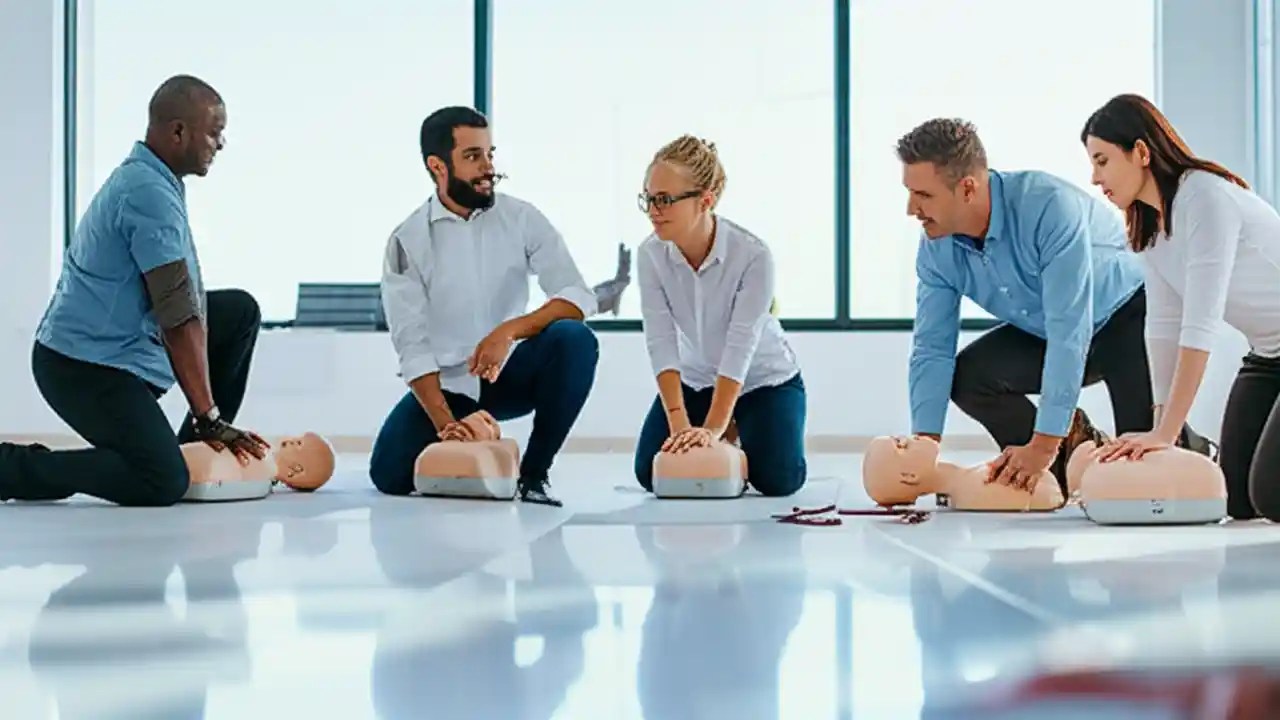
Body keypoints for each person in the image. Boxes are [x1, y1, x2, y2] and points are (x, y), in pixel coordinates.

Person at [898, 117, 1210, 494]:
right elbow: (932, 347)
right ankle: (1061, 467)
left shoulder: (1048, 207)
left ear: (967, 188)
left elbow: (1069, 330)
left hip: (1126, 317)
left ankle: (1194, 448)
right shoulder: (936, 246)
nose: (911, 209)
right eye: (910, 192)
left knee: (1142, 470)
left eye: (923, 195)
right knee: (968, 377)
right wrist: (924, 447)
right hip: (1047, 330)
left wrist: (1044, 442)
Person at [0, 75, 269, 507]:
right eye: (215, 132)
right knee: (160, 480)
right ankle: (10, 468)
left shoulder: (158, 181)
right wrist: (210, 416)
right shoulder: (147, 193)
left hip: (121, 348)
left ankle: (190, 448)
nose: (221, 144)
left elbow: (186, 310)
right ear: (178, 131)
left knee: (238, 312)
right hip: (82, 368)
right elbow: (177, 317)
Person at [370, 106, 600, 507]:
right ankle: (478, 440)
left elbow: (577, 296)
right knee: (389, 475)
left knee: (574, 339)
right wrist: (449, 426)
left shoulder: (522, 218)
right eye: (473, 156)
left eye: (490, 154)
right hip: (449, 387)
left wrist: (507, 332)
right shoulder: (407, 240)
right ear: (437, 166)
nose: (488, 167)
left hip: (511, 374)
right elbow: (412, 346)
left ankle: (534, 474)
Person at [1083, 93, 1280, 521]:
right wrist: (1160, 425)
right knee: (1239, 502)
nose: (1095, 177)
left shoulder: (1205, 197)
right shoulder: (1151, 226)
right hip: (1269, 355)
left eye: (1102, 160)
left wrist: (1168, 431)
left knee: (1272, 496)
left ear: (1140, 152)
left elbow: (1200, 324)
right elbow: (1164, 326)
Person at [632, 135, 807, 496]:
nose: (653, 210)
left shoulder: (753, 256)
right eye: (648, 198)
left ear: (705, 201)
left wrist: (712, 430)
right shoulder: (650, 255)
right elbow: (660, 340)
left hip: (763, 380)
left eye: (664, 200)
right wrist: (680, 425)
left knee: (778, 480)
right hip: (696, 380)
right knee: (651, 472)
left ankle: (739, 440)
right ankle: (729, 440)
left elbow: (741, 345)